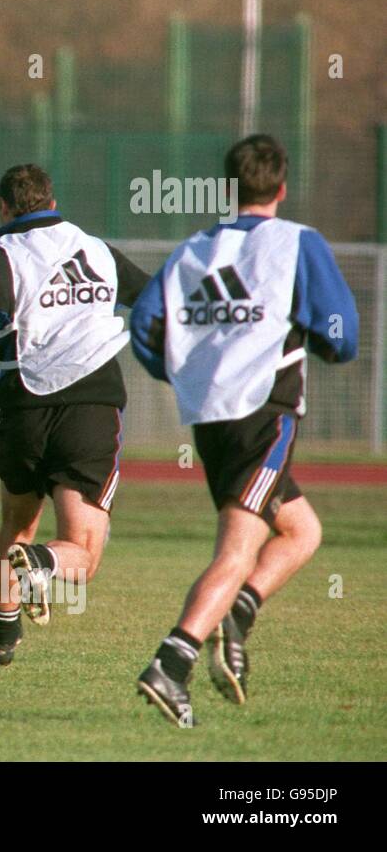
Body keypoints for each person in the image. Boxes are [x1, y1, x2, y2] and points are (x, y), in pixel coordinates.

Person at [130, 134, 357, 726]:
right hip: (267, 413)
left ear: (229, 190)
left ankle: (239, 611)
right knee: (236, 550)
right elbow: (342, 328)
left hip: (212, 417)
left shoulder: (193, 250)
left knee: (302, 531)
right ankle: (170, 666)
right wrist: (329, 344)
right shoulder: (296, 242)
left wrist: (183, 373)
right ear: (281, 188)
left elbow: (146, 325)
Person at [0, 164, 149, 665]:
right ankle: (42, 564)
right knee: (81, 552)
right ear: (51, 199)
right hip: (90, 408)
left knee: (15, 524)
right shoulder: (98, 250)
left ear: (4, 207)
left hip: (23, 413)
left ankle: (3, 633)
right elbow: (153, 298)